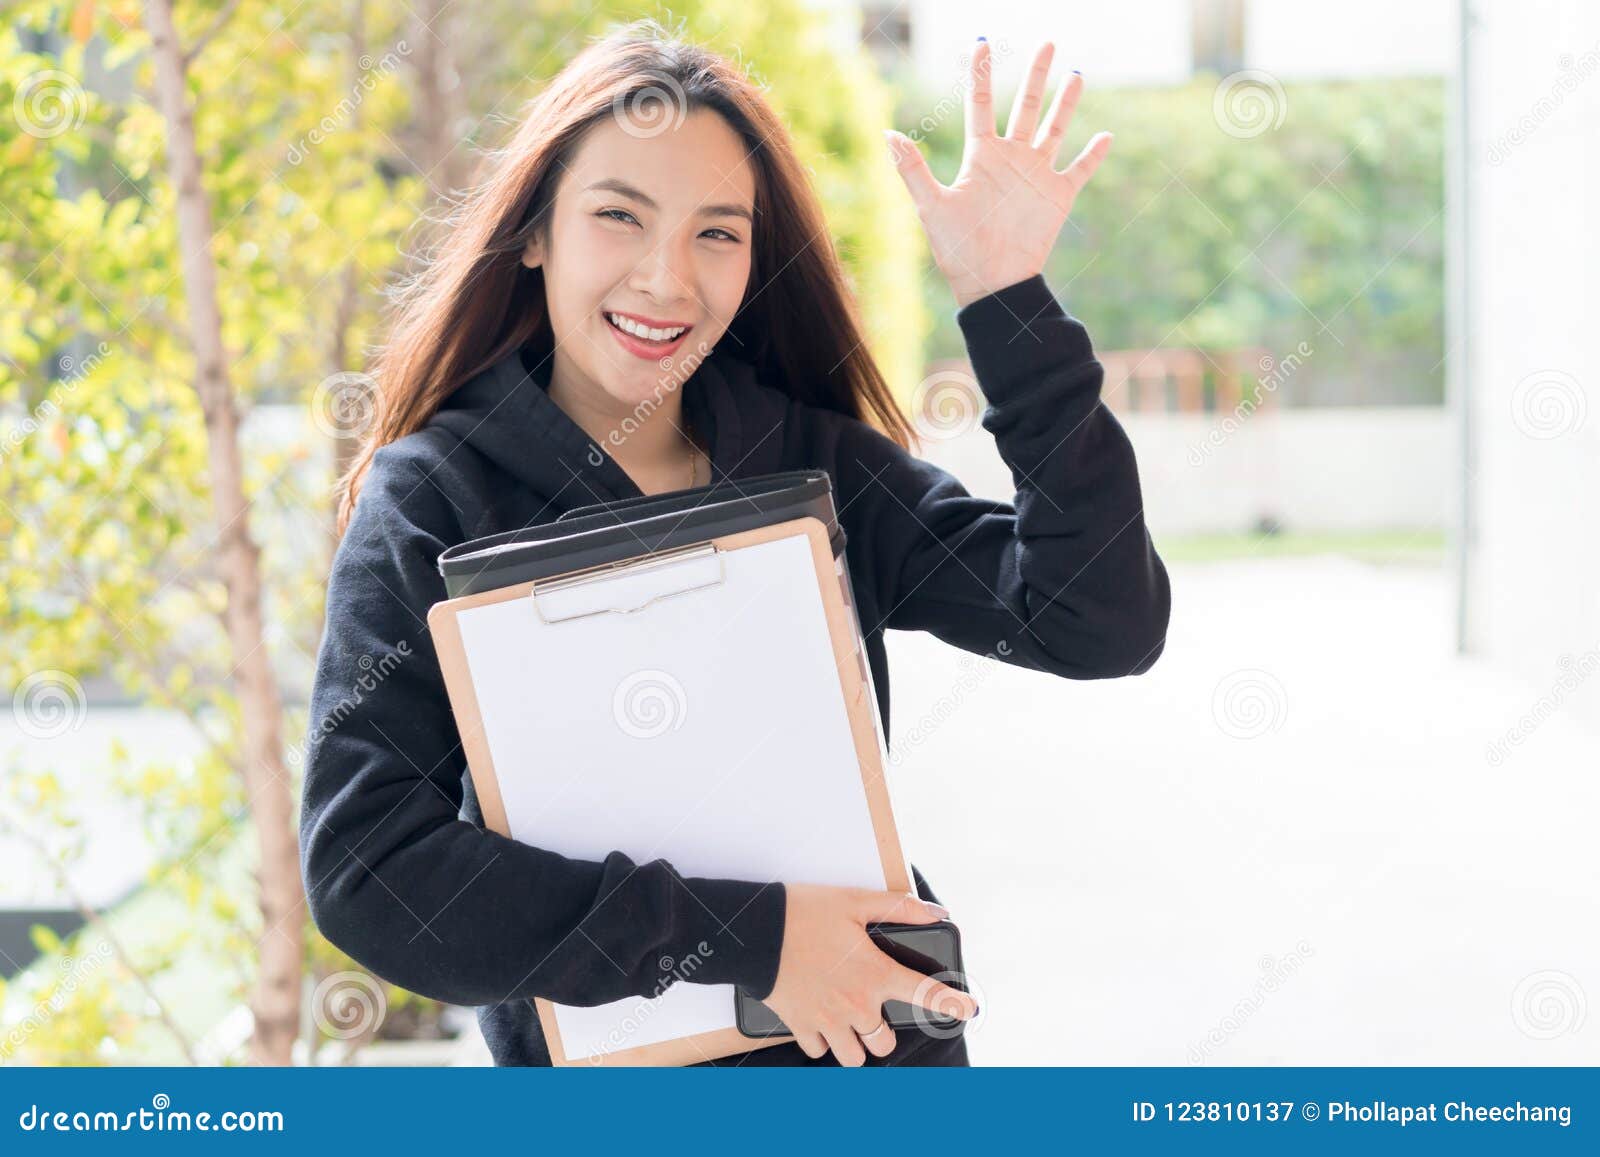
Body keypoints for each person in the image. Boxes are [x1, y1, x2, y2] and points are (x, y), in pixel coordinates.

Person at [299, 20, 1170, 1067]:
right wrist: (753, 939)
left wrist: (1007, 302)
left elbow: (1095, 620)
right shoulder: (437, 500)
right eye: (619, 216)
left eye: (717, 232)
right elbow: (371, 870)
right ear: (534, 233)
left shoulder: (811, 464)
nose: (667, 278)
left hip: (875, 1060)